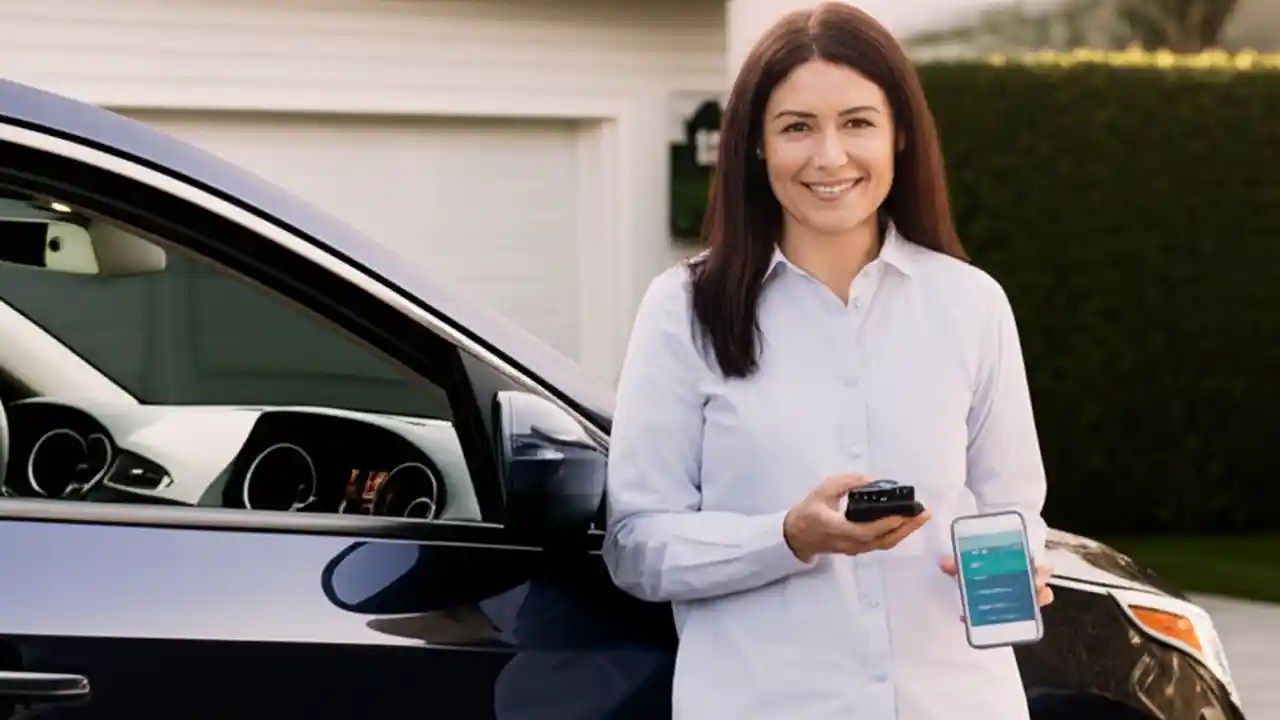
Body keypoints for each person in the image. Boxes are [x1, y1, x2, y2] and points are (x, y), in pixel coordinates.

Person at [602, 3, 1055, 719]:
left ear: (900, 134)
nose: (830, 157)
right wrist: (788, 536)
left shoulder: (971, 305)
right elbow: (635, 545)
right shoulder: (682, 309)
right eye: (797, 128)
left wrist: (1013, 563)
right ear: (755, 145)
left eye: (857, 123)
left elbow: (1012, 504)